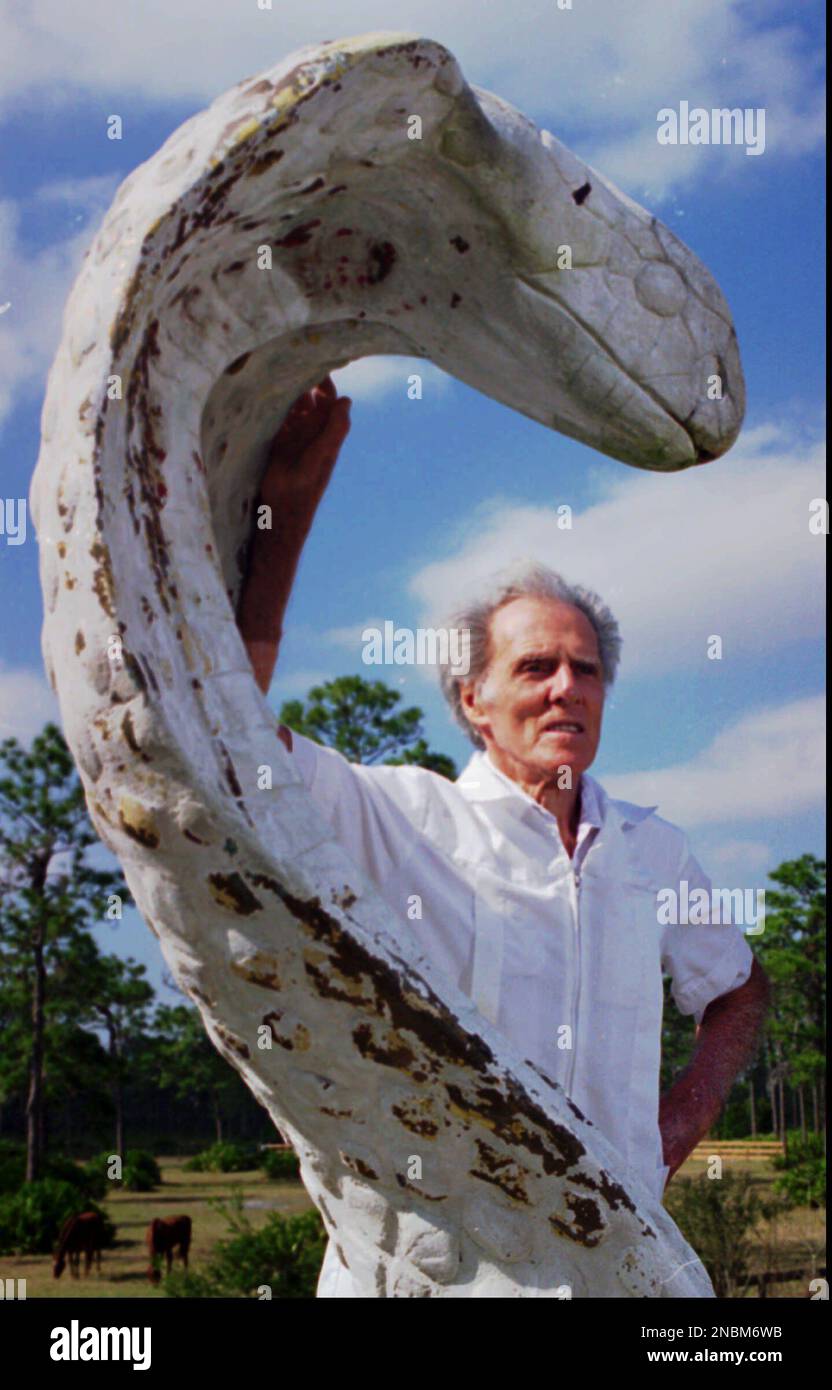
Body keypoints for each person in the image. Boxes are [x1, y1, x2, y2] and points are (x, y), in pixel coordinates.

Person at [236, 377, 771, 1298]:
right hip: (435, 1273)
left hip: (615, 1265)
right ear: (472, 701)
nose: (568, 687)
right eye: (536, 666)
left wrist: (673, 1130)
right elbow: (230, 735)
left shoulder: (653, 852)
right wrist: (286, 510)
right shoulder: (400, 816)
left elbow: (741, 989)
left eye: (587, 669)